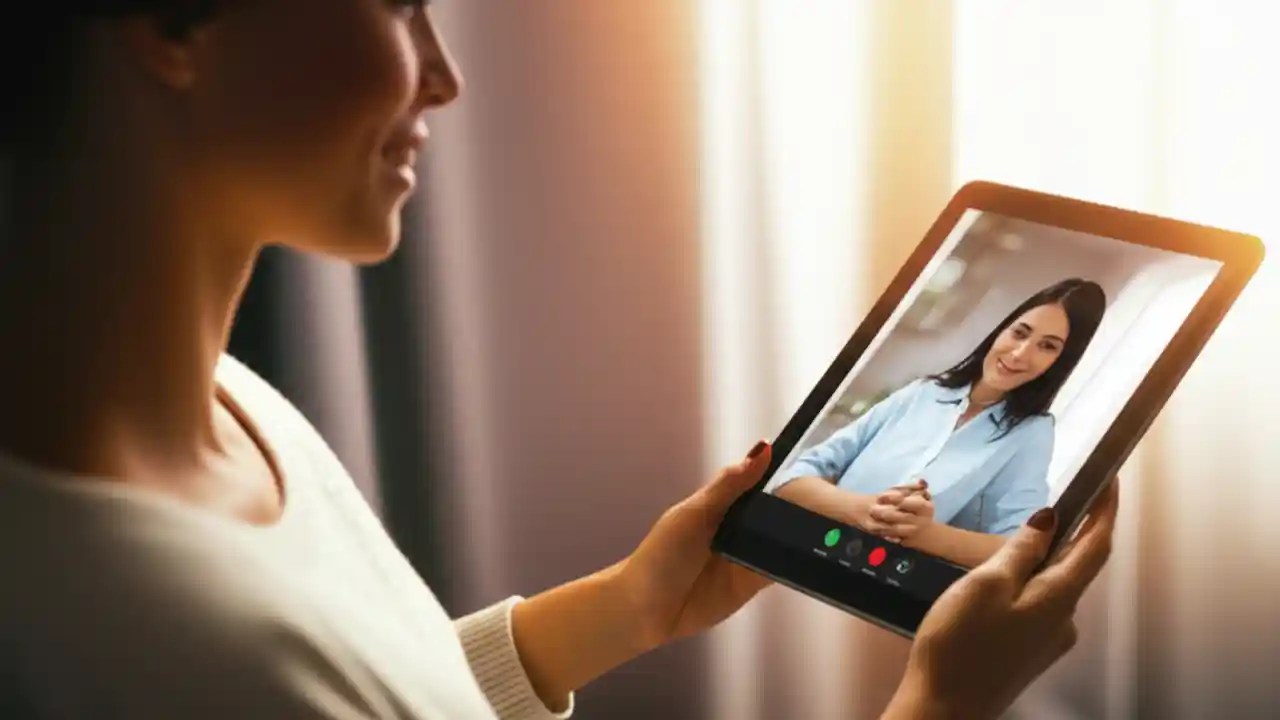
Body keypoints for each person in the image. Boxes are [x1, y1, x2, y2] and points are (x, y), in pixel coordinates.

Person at [0, 3, 1118, 719]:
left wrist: (622, 611)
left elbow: (379, 687)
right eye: (395, 4)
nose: (441, 77)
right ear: (170, 27)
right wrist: (942, 705)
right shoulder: (103, 637)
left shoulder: (236, 407)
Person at [771, 279, 1107, 567]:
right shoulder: (922, 393)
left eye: (1047, 347)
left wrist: (926, 535)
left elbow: (1021, 548)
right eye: (1019, 332)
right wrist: (864, 509)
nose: (1020, 354)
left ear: (1060, 362)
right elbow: (792, 479)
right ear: (1002, 329)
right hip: (798, 553)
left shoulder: (1030, 434)